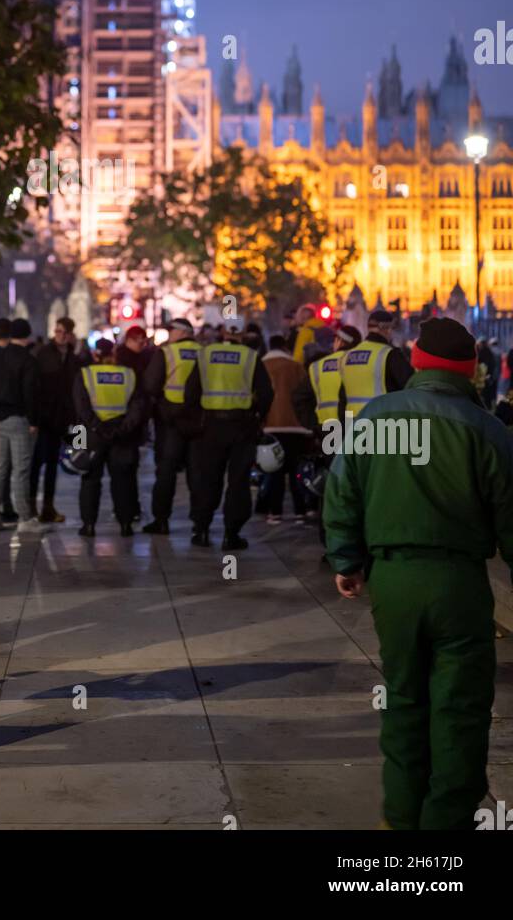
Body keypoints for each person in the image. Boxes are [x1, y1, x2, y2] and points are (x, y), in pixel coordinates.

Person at [324, 317, 513, 831]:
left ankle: (402, 818)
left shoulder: (374, 417)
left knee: (405, 698)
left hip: (393, 581)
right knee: (461, 707)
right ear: (469, 372)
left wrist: (346, 560)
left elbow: (342, 492)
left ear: (418, 361)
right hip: (459, 583)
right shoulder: (487, 429)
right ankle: (446, 824)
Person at [184, 318, 273, 549]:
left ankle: (201, 530)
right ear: (243, 333)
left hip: (211, 427)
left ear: (222, 331)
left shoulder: (205, 354)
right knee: (238, 482)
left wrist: (197, 420)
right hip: (241, 427)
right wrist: (256, 416)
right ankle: (231, 534)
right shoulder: (250, 357)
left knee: (208, 479)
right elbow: (265, 393)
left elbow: (190, 392)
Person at [74, 338, 145, 538]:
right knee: (123, 481)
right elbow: (137, 408)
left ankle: (88, 526)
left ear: (95, 355)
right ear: (113, 354)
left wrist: (96, 427)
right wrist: (122, 429)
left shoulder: (86, 374)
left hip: (93, 435)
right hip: (122, 435)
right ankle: (125, 525)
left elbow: (80, 408)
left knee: (90, 480)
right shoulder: (129, 375)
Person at [0, 318, 40, 533]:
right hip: (19, 419)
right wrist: (34, 421)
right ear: (27, 335)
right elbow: (30, 393)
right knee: (21, 470)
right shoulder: (28, 360)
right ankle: (25, 518)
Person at [142, 318, 200, 534]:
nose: (169, 334)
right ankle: (199, 522)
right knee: (197, 472)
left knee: (166, 471)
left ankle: (161, 520)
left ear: (184, 332)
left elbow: (150, 384)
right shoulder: (205, 352)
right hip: (197, 421)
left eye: (172, 330)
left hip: (171, 421)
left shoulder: (166, 353)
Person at [29, 316, 81, 524]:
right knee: (36, 463)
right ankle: (31, 506)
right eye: (58, 331)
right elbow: (34, 387)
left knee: (53, 464)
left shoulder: (73, 357)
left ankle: (47, 507)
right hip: (43, 417)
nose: (60, 335)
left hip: (62, 418)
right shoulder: (43, 354)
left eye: (64, 332)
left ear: (70, 335)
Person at [255, 335, 312, 524]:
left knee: (274, 471)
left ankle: (275, 512)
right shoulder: (295, 366)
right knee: (296, 471)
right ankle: (300, 512)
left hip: (271, 426)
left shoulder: (261, 364)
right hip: (295, 426)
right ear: (286, 347)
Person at [338, 308, 412, 422]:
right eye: (391, 328)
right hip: (382, 422)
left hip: (353, 424)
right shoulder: (390, 354)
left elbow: (342, 398)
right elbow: (410, 386)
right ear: (386, 329)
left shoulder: (347, 356)